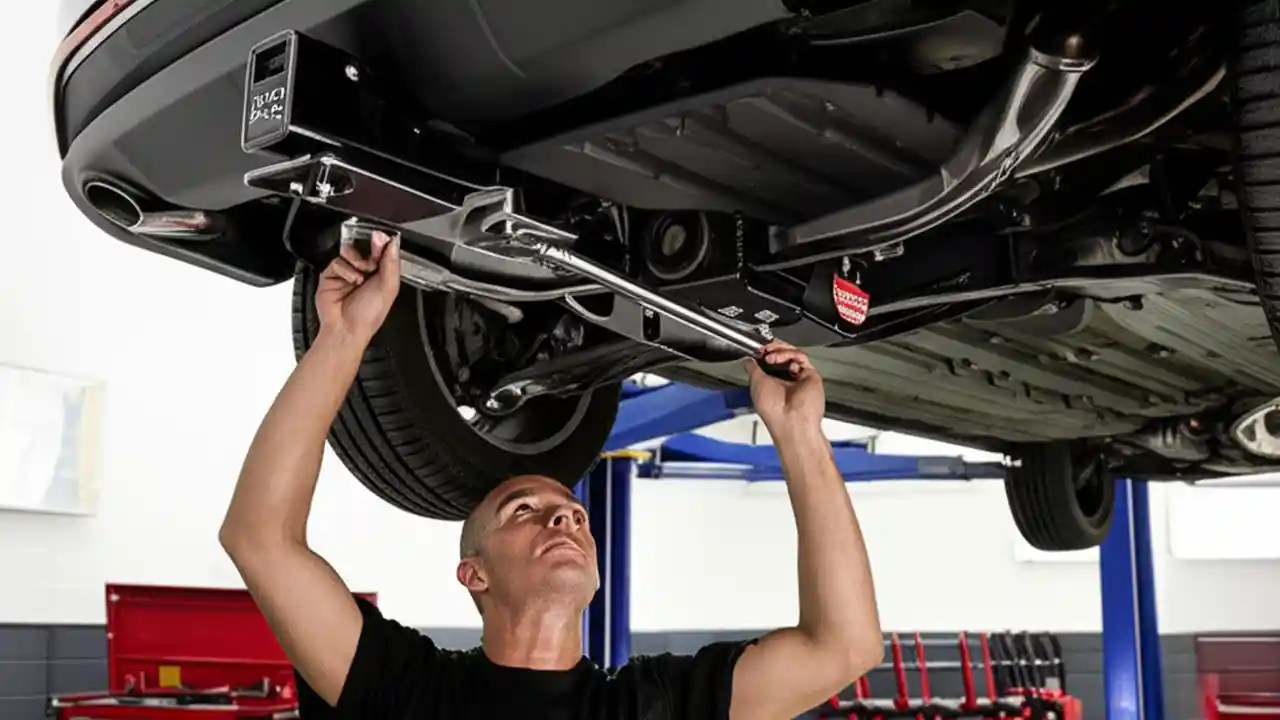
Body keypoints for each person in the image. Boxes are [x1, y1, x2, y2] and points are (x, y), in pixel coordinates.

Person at [219, 230, 884, 719]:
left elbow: (839, 646)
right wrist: (340, 336)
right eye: (536, 512)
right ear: (473, 575)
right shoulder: (645, 710)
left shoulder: (413, 698)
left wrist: (798, 438)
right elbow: (259, 539)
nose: (565, 515)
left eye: (541, 509)